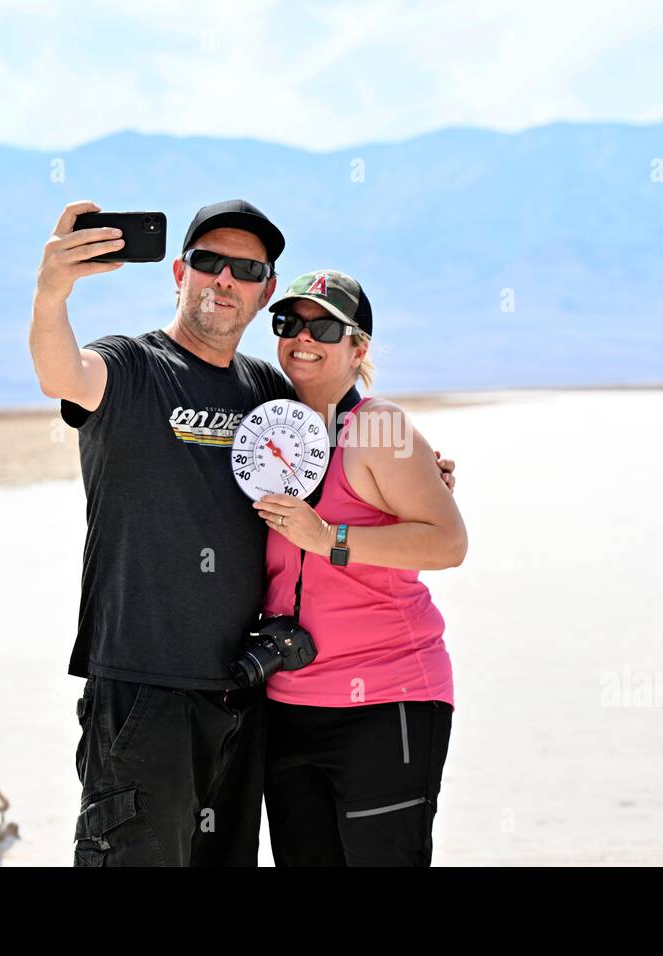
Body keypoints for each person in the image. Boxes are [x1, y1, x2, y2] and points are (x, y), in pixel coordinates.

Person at [28, 200, 455, 866]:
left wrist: (425, 473)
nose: (225, 279)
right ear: (180, 272)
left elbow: (350, 455)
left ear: (260, 296)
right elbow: (64, 375)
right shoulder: (131, 367)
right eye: (209, 262)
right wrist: (52, 294)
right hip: (147, 689)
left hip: (246, 693)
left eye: (247, 270)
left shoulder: (266, 395)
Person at [250, 270, 466, 866]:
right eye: (288, 322)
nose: (303, 337)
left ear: (359, 348)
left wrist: (330, 539)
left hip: (387, 700)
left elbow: (447, 542)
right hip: (289, 704)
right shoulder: (265, 430)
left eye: (324, 326)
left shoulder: (378, 427)